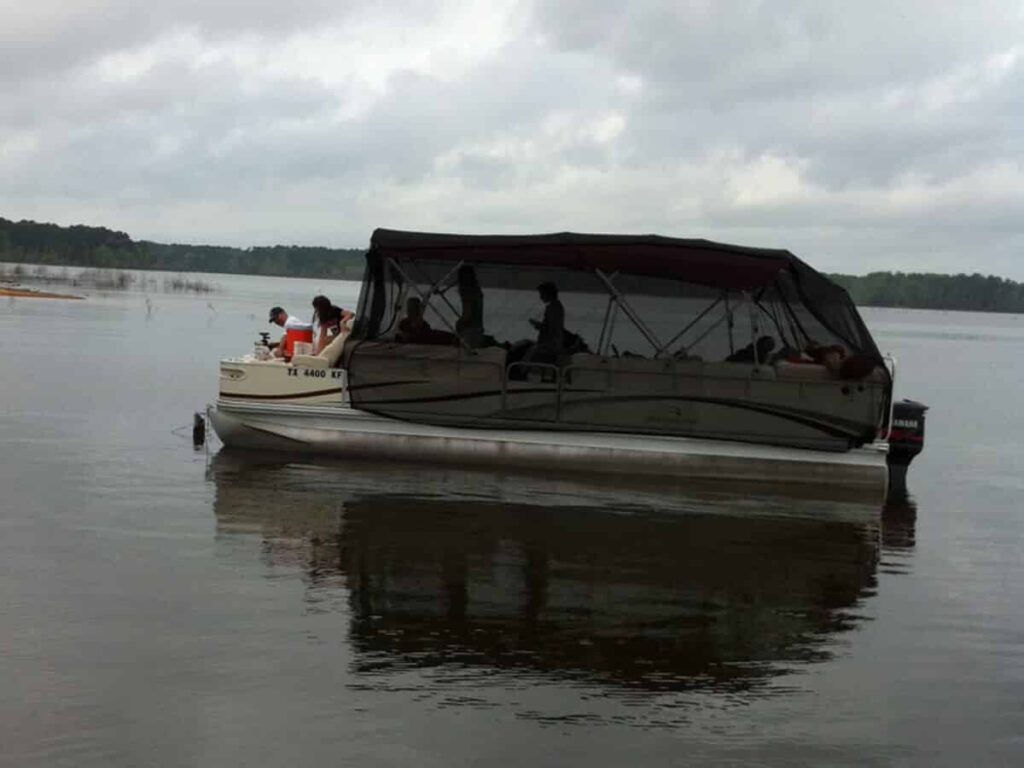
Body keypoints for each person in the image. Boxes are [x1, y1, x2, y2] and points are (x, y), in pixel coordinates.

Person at [524, 281, 565, 365]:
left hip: (550, 345)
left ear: (548, 294)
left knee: (529, 355)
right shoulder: (555, 307)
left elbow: (551, 329)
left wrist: (537, 325)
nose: (541, 297)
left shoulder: (553, 309)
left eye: (542, 294)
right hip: (550, 343)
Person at [455, 265, 483, 347]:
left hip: (469, 331)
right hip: (478, 329)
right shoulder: (478, 292)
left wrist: (458, 323)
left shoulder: (467, 292)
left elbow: (467, 314)